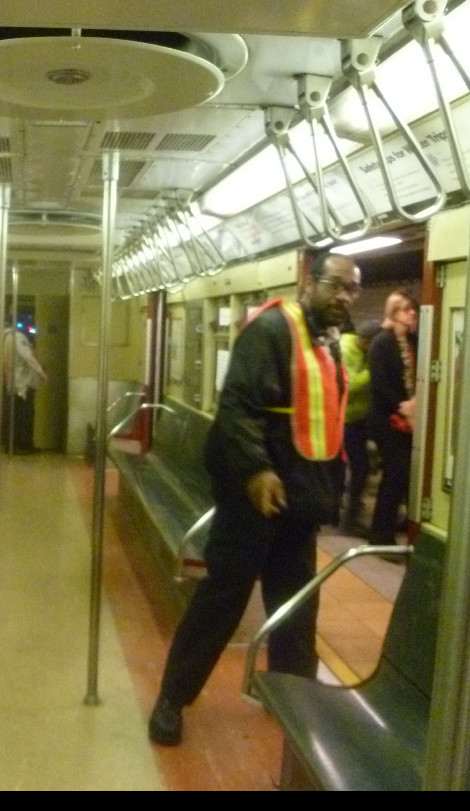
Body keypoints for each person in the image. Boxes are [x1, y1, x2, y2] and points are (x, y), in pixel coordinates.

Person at [148, 252, 359, 746]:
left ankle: (294, 697)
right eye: (337, 286)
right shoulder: (269, 332)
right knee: (223, 597)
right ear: (310, 281)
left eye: (352, 289)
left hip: (300, 497)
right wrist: (256, 470)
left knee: (296, 604)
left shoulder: (331, 342)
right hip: (255, 496)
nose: (344, 297)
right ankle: (171, 698)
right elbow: (238, 406)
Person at [367, 290, 418, 546]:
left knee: (407, 475)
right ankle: (379, 535)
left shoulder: (412, 342)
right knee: (396, 473)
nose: (413, 314)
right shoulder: (382, 343)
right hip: (387, 420)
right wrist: (403, 407)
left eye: (413, 310)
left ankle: (402, 526)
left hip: (410, 419)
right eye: (407, 309)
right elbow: (380, 385)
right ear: (394, 312)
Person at [340, 319, 382, 534]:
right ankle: (347, 518)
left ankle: (350, 513)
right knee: (358, 468)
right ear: (365, 341)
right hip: (345, 421)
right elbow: (352, 384)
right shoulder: (345, 350)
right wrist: (371, 369)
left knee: (362, 468)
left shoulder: (362, 351)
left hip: (360, 419)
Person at [2, 321, 47, 454]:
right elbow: (28, 357)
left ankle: (13, 445)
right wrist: (42, 373)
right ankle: (23, 445)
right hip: (22, 384)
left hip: (12, 383)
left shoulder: (5, 339)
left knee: (15, 415)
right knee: (24, 415)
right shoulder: (18, 337)